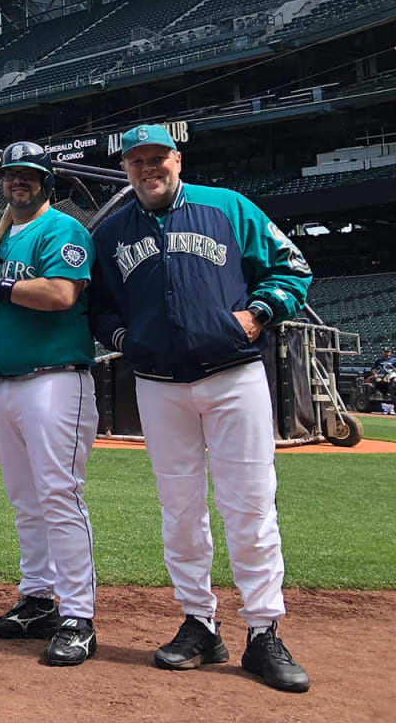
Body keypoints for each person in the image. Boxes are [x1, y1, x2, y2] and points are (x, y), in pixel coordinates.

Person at [89, 124, 313, 692]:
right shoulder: (111, 232)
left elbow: (292, 267)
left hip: (233, 375)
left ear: (177, 159)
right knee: (180, 509)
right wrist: (123, 339)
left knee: (251, 504)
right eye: (136, 161)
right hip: (159, 384)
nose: (148, 169)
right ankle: (199, 622)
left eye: (157, 158)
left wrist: (258, 314)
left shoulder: (227, 207)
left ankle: (263, 630)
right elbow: (98, 306)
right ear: (125, 170)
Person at [0, 141, 99, 666]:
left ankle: (78, 615)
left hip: (53, 380)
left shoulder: (62, 229)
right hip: (2, 384)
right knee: (25, 500)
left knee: (60, 496)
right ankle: (38, 599)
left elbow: (61, 294)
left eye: (30, 174)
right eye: (11, 174)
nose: (19, 181)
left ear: (46, 182)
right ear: (1, 182)